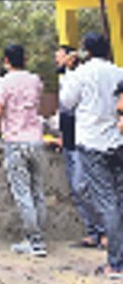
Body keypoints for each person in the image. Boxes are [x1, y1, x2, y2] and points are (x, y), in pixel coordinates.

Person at [59, 32, 123, 280]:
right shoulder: (118, 72)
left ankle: (116, 263)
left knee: (106, 202)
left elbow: (66, 102)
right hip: (117, 142)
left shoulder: (81, 74)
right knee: (118, 200)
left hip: (91, 142)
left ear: (85, 50)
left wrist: (68, 71)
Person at [0, 44, 46, 256]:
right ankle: (39, 237)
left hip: (15, 141)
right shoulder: (35, 80)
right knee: (38, 190)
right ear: (25, 59)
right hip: (36, 140)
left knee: (23, 192)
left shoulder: (3, 83)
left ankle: (34, 241)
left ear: (6, 61)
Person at [54, 45, 104, 247]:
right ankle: (92, 232)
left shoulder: (83, 76)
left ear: (70, 57)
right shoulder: (66, 78)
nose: (56, 61)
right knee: (76, 190)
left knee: (83, 186)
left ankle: (104, 230)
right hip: (68, 140)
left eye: (59, 57)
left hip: (83, 140)